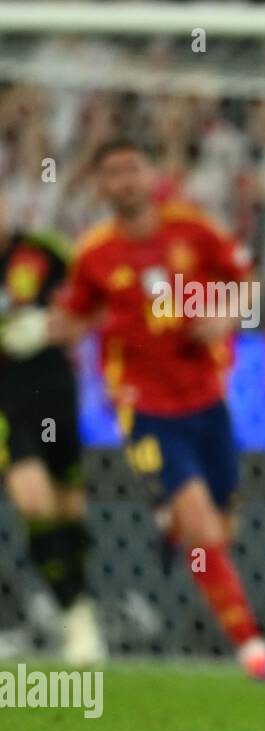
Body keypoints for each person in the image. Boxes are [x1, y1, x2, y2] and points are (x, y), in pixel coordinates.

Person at [0, 139, 265, 680]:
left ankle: (172, 524)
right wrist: (35, 329)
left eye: (131, 170)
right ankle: (252, 648)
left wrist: (223, 316)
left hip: (206, 398)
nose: (123, 182)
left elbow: (247, 287)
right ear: (101, 187)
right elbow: (75, 318)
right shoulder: (94, 253)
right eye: (111, 174)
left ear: (151, 174)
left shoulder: (193, 231)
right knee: (201, 524)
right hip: (142, 408)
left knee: (221, 527)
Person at [0, 196, 102, 663]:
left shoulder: (46, 252)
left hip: (53, 395)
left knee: (68, 514)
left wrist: (58, 326)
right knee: (34, 501)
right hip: (4, 403)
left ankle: (73, 608)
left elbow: (92, 307)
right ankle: (72, 618)